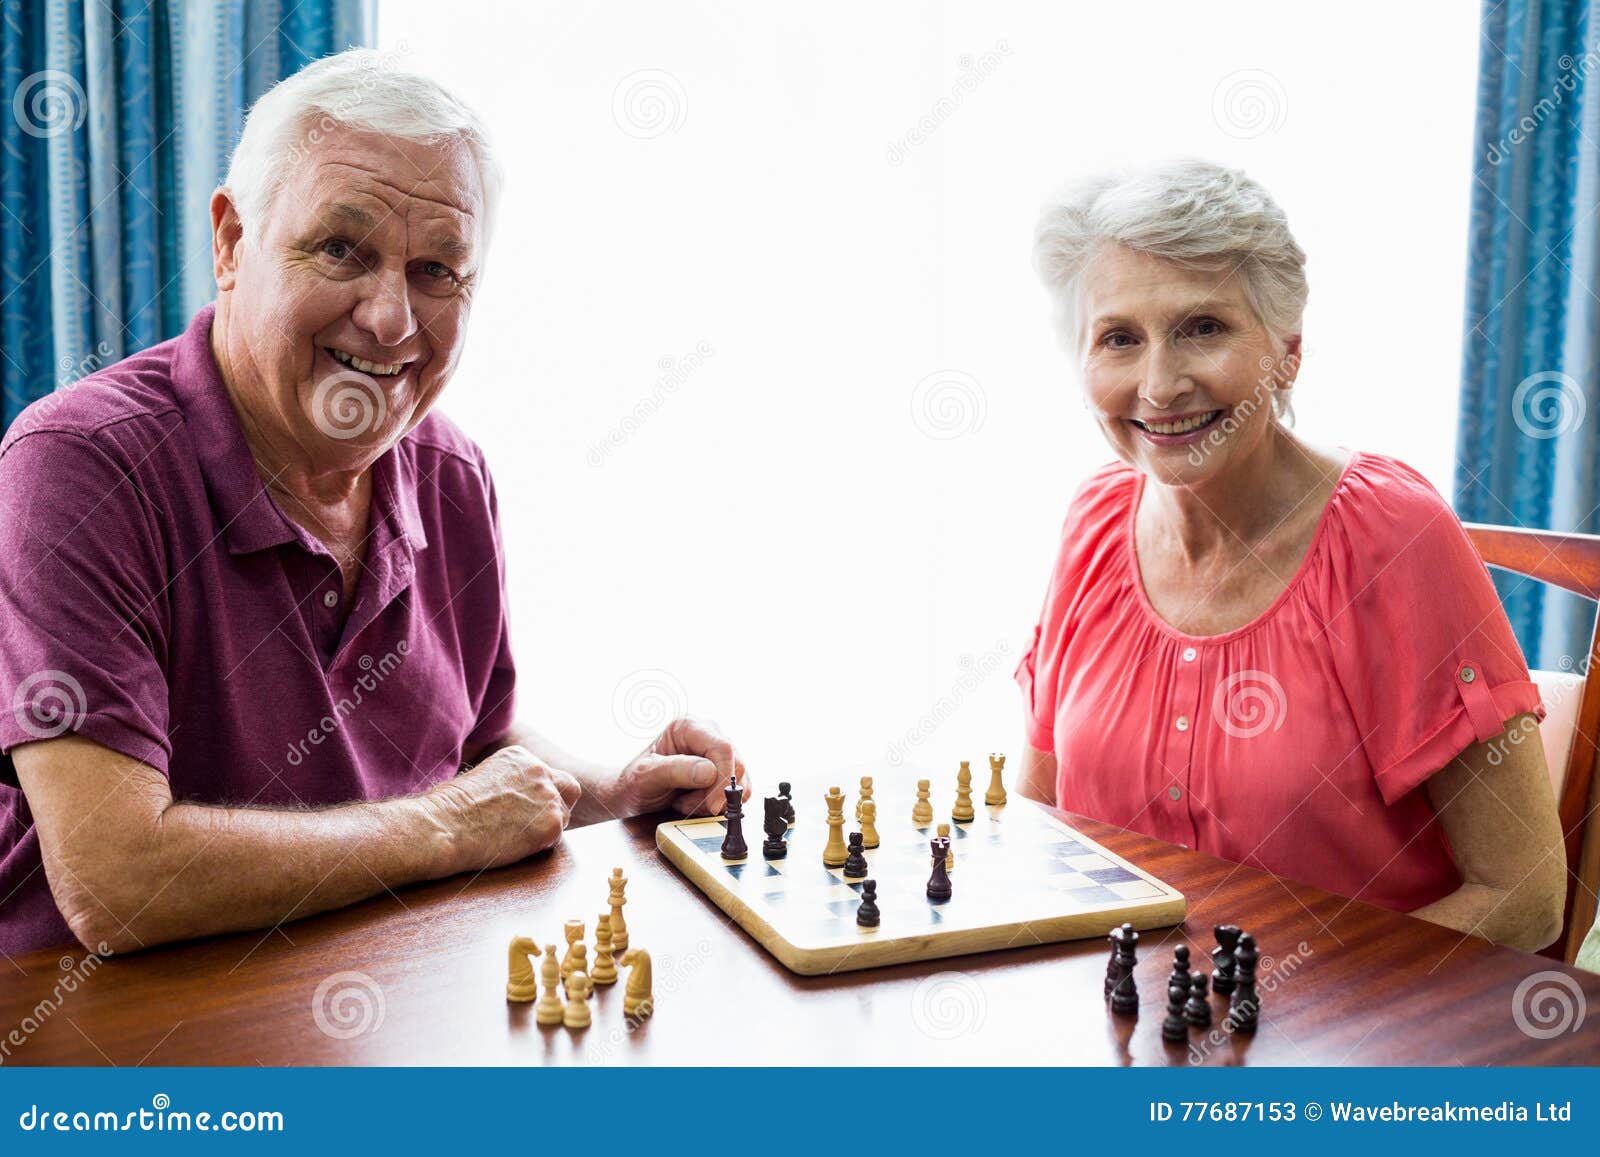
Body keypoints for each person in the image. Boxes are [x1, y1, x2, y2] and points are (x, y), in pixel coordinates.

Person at [0, 50, 747, 958]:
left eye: (438, 270)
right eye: (341, 249)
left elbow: (475, 744)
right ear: (231, 243)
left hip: (375, 1016)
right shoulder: (79, 465)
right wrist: (445, 829)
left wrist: (616, 789)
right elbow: (116, 882)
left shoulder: (451, 471)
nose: (391, 319)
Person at [1015, 160, 1564, 950]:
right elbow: (1041, 826)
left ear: (1287, 352)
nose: (1161, 384)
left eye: (1204, 327)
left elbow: (1525, 896)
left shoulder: (1392, 539)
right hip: (1126, 1035)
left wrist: (1291, 1010)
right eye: (1119, 339)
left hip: (1346, 1055)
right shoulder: (1094, 522)